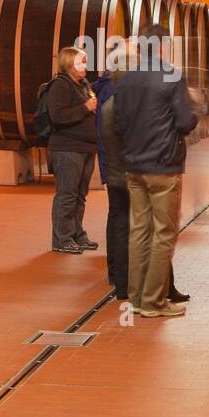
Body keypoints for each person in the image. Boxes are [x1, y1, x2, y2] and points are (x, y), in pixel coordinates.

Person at [114, 23, 198, 318]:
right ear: (162, 47)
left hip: (133, 165)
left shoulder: (124, 80)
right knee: (164, 233)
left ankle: (136, 298)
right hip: (163, 165)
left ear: (139, 47)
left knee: (139, 231)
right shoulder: (171, 76)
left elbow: (119, 124)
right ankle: (153, 302)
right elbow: (186, 122)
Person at [46, 47, 99, 254]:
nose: (85, 66)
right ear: (69, 64)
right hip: (67, 149)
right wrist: (85, 108)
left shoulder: (83, 85)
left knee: (80, 195)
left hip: (85, 148)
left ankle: (77, 233)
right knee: (67, 195)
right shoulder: (60, 85)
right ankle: (62, 239)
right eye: (81, 62)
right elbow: (57, 116)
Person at [91, 69, 129, 300]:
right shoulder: (119, 101)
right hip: (123, 171)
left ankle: (117, 275)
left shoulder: (107, 99)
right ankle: (123, 278)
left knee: (117, 218)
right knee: (124, 222)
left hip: (113, 168)